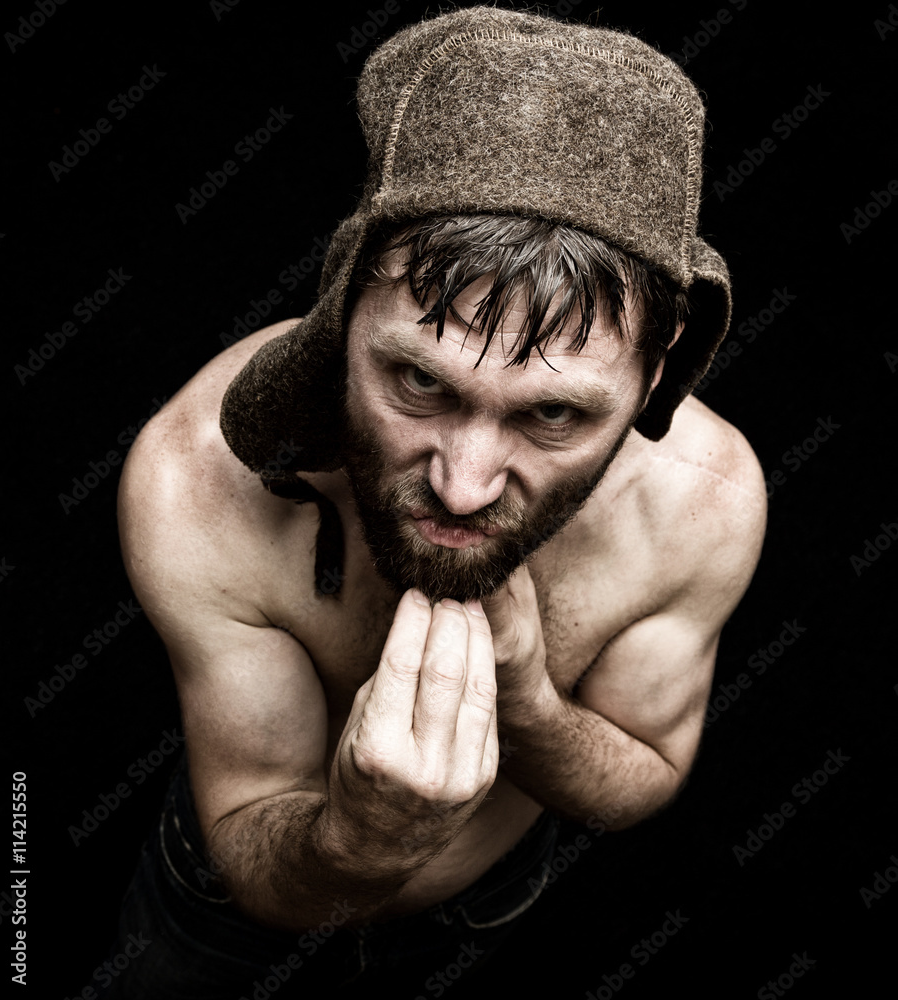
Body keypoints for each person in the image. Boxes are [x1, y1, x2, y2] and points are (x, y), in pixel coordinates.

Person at [102, 6, 766, 997]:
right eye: (418, 383)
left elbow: (647, 769)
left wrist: (531, 702)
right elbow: (248, 815)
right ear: (342, 310)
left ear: (655, 372)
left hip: (484, 915)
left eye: (551, 414)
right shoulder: (198, 477)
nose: (462, 483)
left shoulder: (701, 502)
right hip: (222, 921)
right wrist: (356, 843)